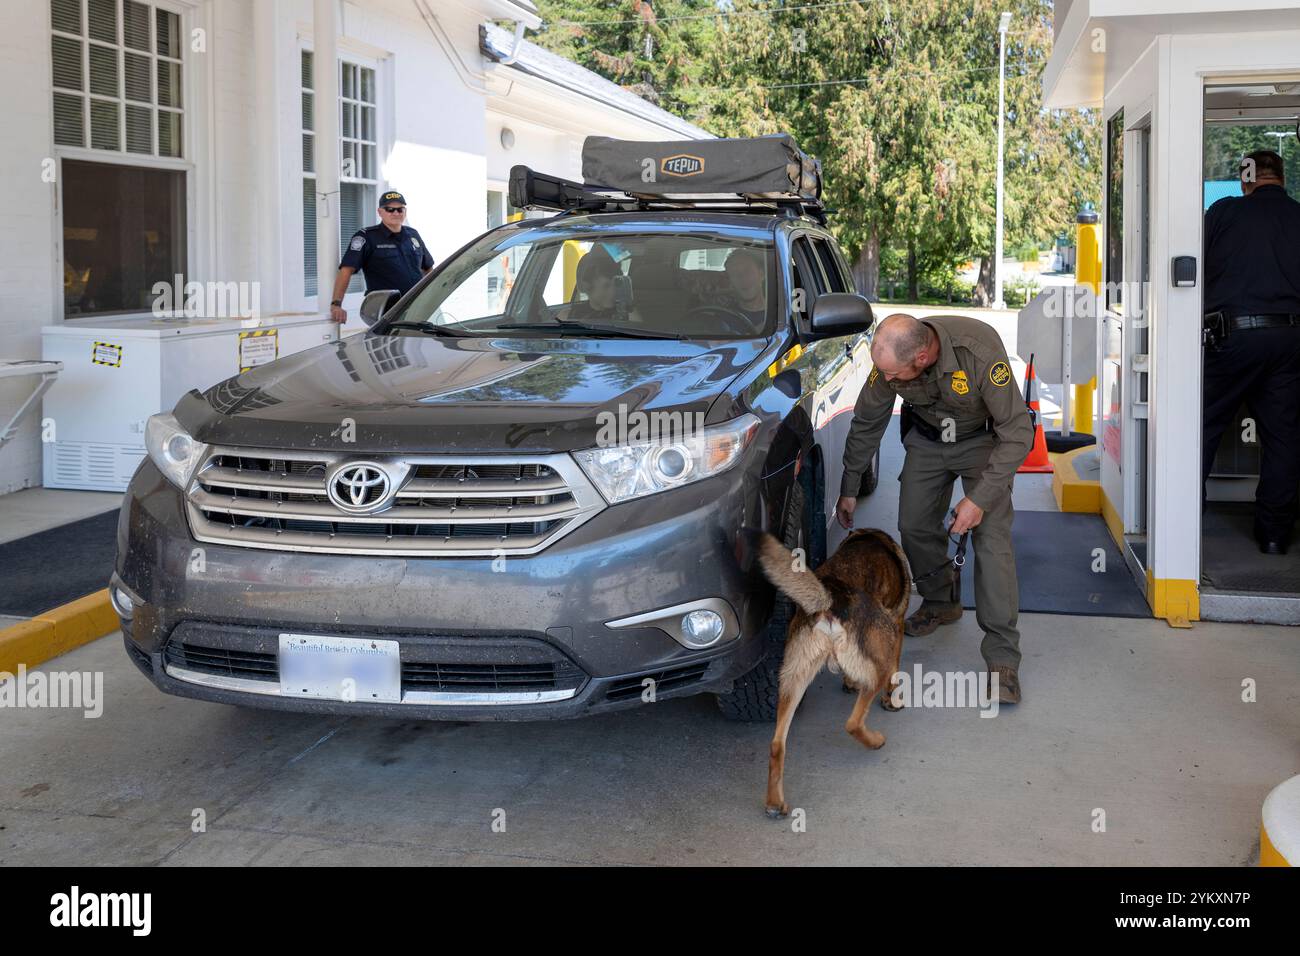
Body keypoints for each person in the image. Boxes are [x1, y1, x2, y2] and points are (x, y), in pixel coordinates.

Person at [837, 313, 1033, 704]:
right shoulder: (891, 361)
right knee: (913, 525)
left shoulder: (978, 353)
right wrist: (850, 486)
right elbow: (867, 421)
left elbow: (1018, 433)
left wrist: (977, 500)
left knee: (991, 539)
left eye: (894, 376)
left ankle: (1002, 659)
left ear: (923, 357)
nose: (886, 381)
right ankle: (942, 601)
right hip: (928, 440)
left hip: (981, 442)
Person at [1202, 149, 1300, 554]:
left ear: (1247, 177)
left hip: (1233, 338)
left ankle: (1184, 524)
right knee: (1284, 439)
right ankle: (1274, 536)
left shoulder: (1225, 213)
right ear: (1282, 177)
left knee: (1201, 428)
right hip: (1290, 341)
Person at [329, 190, 433, 323]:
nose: (395, 213)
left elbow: (428, 269)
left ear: (405, 212)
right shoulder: (366, 237)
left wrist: (431, 298)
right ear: (380, 212)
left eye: (400, 209)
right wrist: (336, 304)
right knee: (387, 344)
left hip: (416, 308)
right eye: (389, 209)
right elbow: (346, 270)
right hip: (386, 311)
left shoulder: (413, 235)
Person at [722, 248, 768, 329]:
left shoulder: (779, 316)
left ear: (761, 274)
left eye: (748, 271)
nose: (743, 278)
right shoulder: (723, 318)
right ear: (730, 282)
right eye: (735, 273)